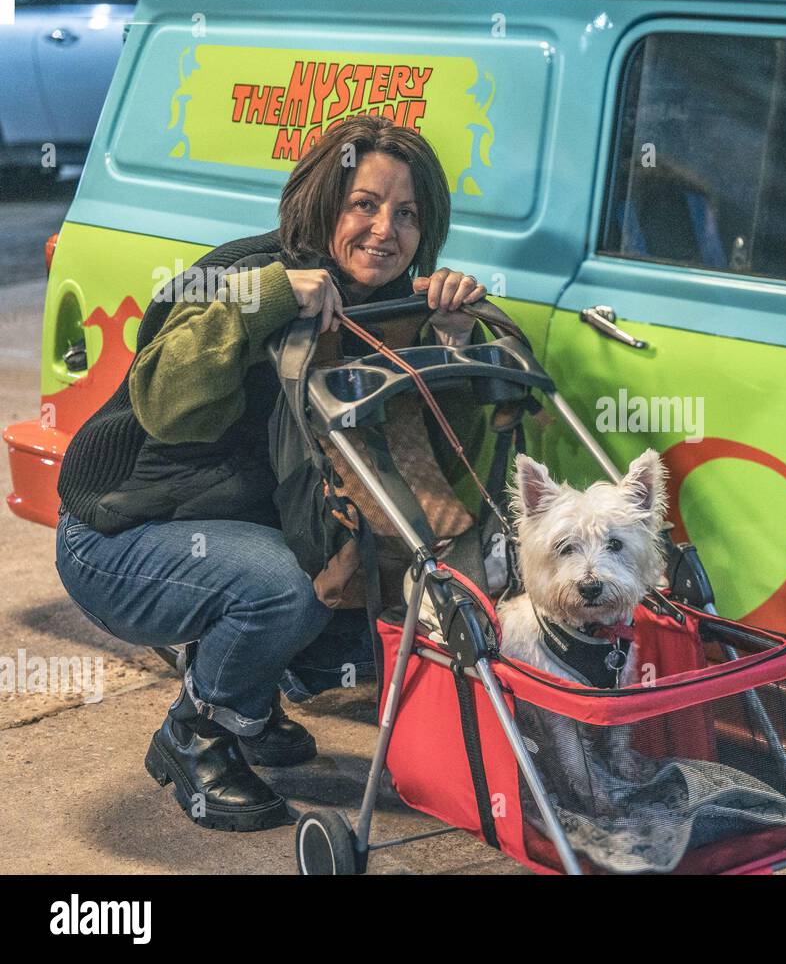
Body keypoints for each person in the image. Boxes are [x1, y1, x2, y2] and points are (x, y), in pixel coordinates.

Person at [53, 115, 487, 831]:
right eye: (365, 204)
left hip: (217, 525)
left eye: (407, 214)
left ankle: (246, 703)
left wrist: (452, 343)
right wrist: (271, 300)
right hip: (117, 534)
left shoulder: (395, 309)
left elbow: (435, 468)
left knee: (371, 577)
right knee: (287, 590)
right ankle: (197, 730)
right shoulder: (242, 275)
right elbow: (165, 407)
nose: (385, 229)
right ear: (325, 201)